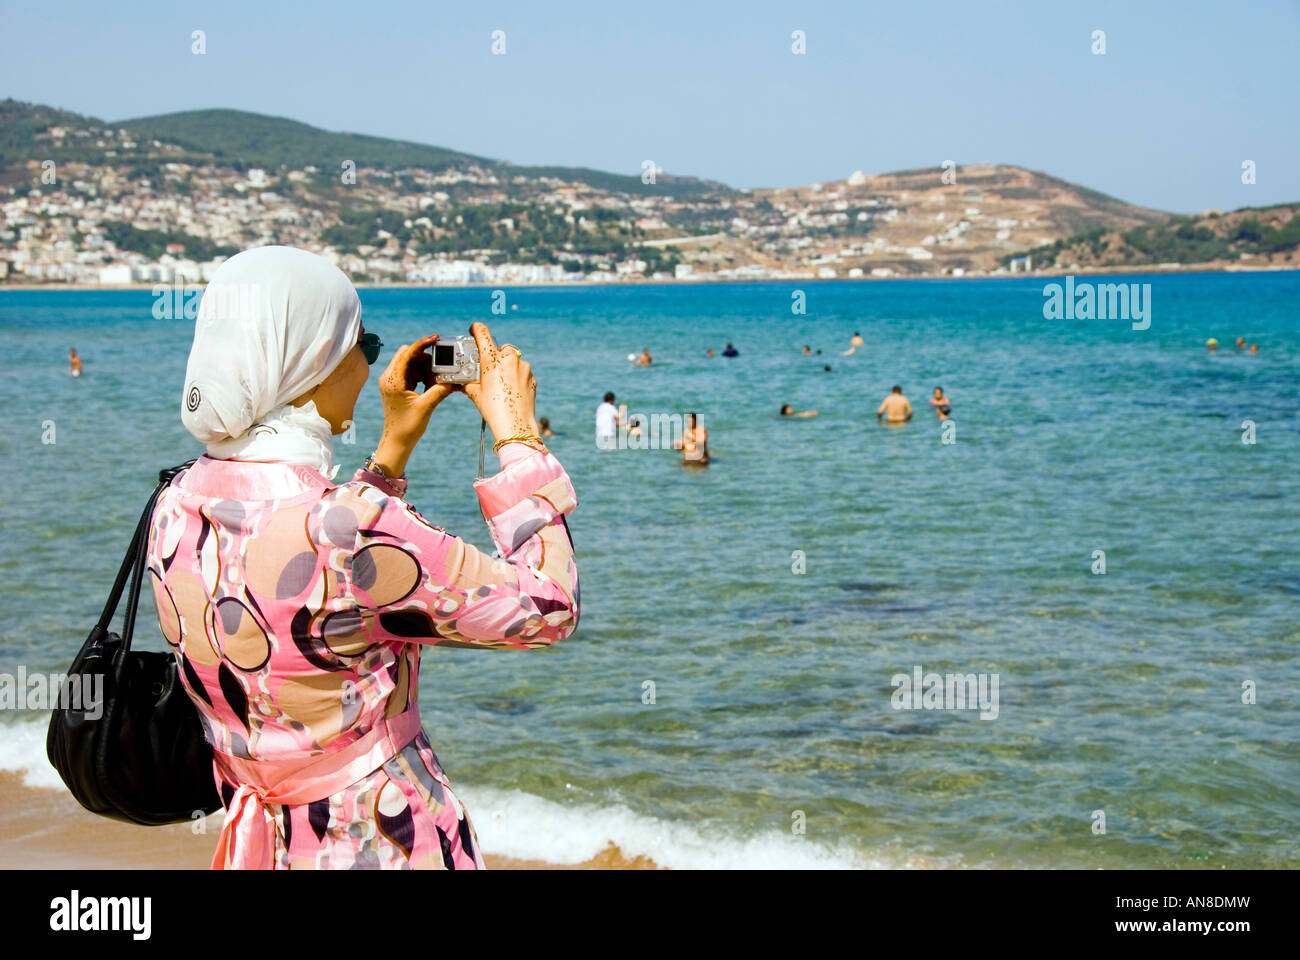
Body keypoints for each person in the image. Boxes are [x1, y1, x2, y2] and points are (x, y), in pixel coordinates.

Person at [151, 246, 578, 870]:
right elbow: (548, 607)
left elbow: (308, 589)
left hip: (269, 841)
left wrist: (390, 455)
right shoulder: (350, 530)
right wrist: (519, 439)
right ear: (314, 363)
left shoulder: (172, 504)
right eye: (363, 347)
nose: (368, 365)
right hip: (388, 840)